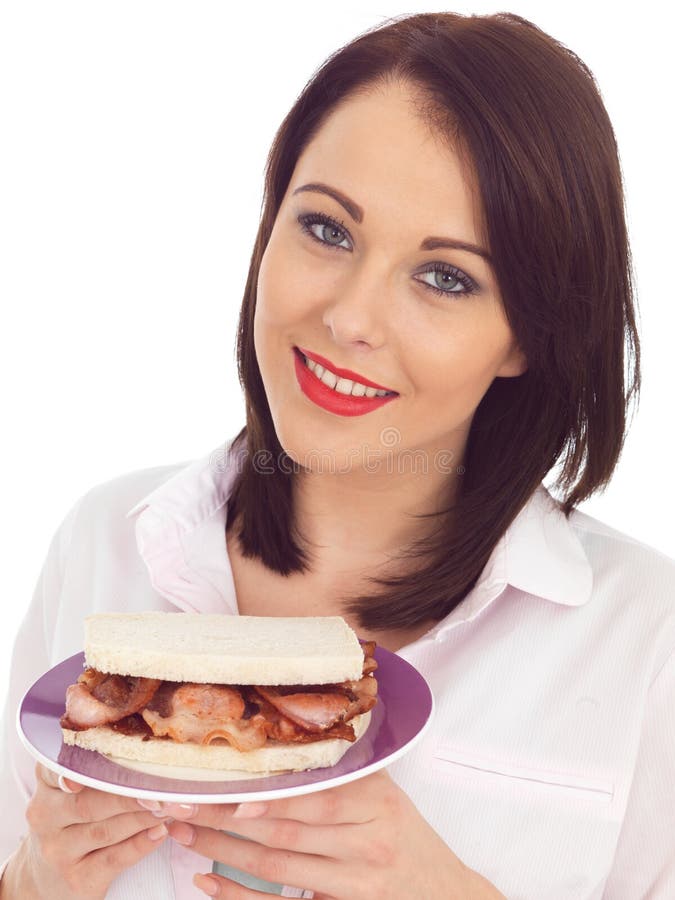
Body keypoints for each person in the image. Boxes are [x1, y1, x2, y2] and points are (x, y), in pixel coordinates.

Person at [1, 10, 673, 899]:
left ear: (527, 334)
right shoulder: (104, 541)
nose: (350, 318)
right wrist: (38, 880)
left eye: (445, 277)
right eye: (326, 229)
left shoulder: (644, 641)